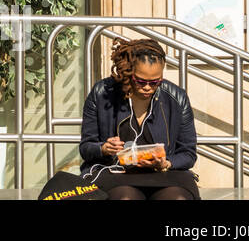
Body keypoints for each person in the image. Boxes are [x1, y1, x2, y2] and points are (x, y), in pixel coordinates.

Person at [79, 37, 199, 200]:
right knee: (125, 198)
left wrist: (166, 163)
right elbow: (86, 147)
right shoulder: (102, 93)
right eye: (141, 81)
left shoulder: (177, 98)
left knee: (176, 198)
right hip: (114, 173)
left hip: (165, 176)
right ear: (128, 72)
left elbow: (188, 153)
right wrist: (104, 148)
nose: (148, 88)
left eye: (155, 82)